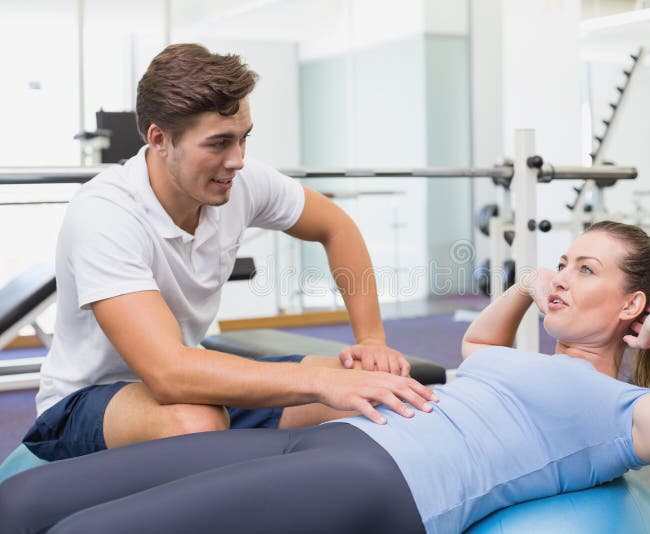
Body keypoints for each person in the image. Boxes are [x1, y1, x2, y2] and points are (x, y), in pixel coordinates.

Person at [0, 221, 650, 534]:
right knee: (29, 499)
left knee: (85, 533)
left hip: (384, 485)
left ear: (630, 303)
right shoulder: (521, 363)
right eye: (563, 260)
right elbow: (480, 340)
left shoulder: (621, 413)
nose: (561, 277)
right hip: (334, 438)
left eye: (583, 271)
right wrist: (531, 287)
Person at [22, 43, 436, 463]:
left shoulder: (239, 182)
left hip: (191, 381)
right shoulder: (106, 213)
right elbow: (168, 373)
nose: (237, 160)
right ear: (160, 139)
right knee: (196, 422)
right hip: (85, 405)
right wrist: (314, 382)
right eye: (219, 143)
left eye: (243, 139)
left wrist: (371, 341)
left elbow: (337, 227)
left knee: (371, 384)